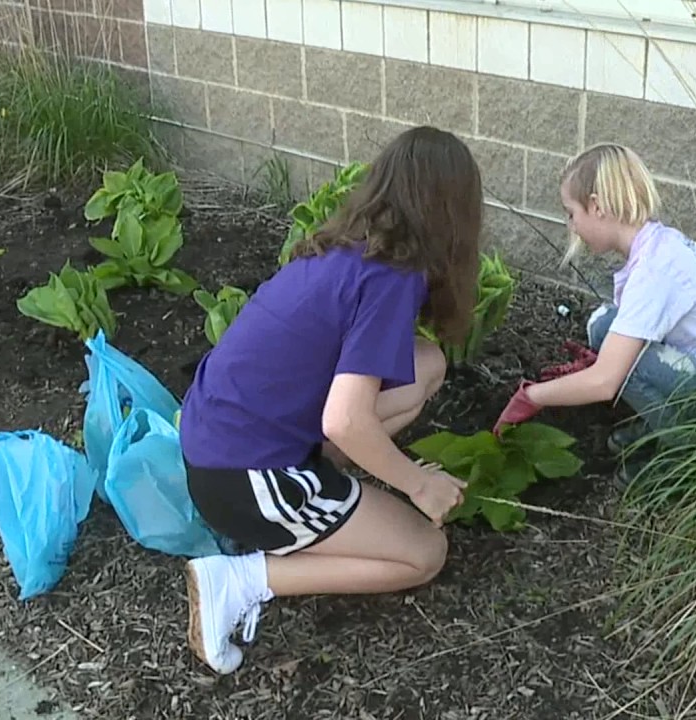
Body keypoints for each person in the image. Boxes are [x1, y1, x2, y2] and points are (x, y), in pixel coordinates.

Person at [179, 125, 482, 674]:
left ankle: (328, 496)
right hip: (247, 478)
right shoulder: (394, 276)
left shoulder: (346, 251)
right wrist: (420, 483)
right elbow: (344, 419)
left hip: (215, 445)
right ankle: (243, 580)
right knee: (423, 553)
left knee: (426, 363)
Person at [494, 143, 696, 481]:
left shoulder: (655, 270)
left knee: (623, 357)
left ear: (597, 206)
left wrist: (531, 396)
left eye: (572, 213)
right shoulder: (662, 244)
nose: (571, 226)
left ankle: (691, 457)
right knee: (604, 325)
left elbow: (604, 382)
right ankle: (667, 426)